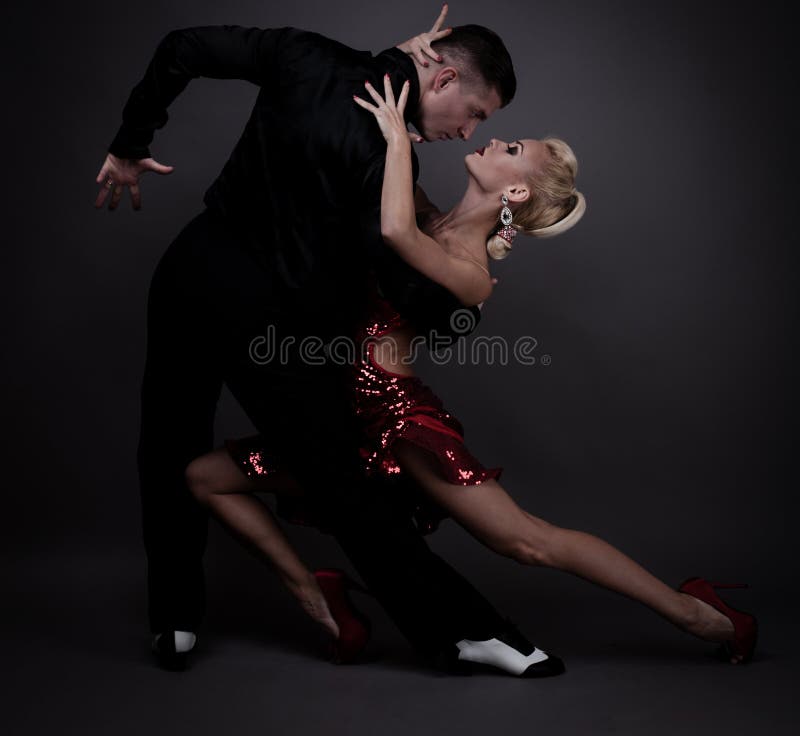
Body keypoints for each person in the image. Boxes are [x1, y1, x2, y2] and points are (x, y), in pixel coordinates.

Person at [185, 76, 757, 667]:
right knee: (205, 478)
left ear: (516, 189)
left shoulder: (472, 271)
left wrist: (397, 141)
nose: (497, 140)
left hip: (396, 421)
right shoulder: (430, 214)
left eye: (513, 149)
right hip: (332, 413)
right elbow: (381, 190)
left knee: (525, 541)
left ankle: (699, 614)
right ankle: (317, 597)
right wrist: (399, 106)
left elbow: (394, 230)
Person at [95, 6, 565, 677]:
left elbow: (183, 46)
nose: (468, 131)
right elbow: (404, 283)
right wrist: (469, 297)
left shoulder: (305, 53)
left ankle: (173, 620)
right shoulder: (384, 155)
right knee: (344, 482)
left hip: (191, 269)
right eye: (475, 113)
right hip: (272, 325)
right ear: (442, 78)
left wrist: (129, 143)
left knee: (168, 438)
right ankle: (467, 633)